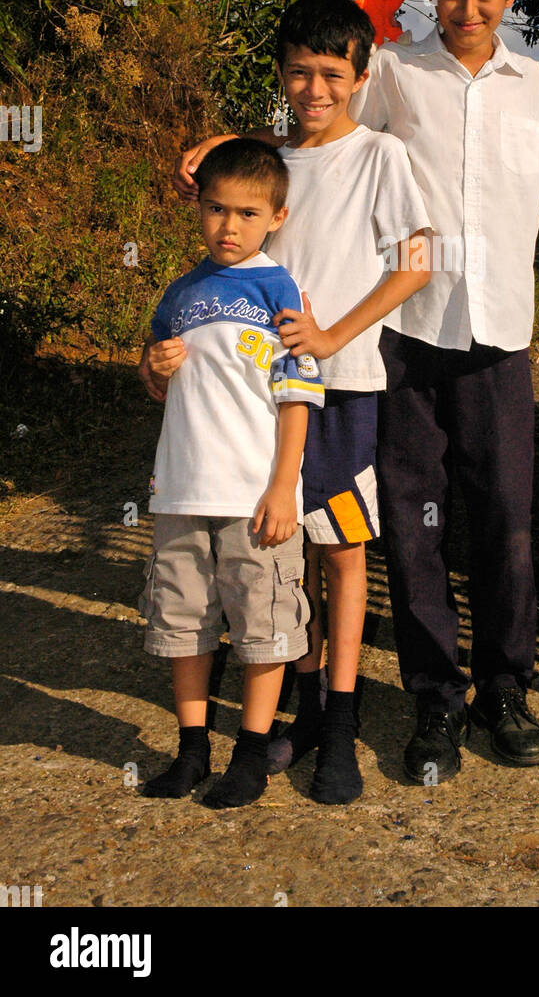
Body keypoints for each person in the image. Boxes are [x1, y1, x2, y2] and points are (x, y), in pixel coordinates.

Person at [160, 0, 431, 803]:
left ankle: (341, 722)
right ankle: (303, 703)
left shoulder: (382, 155)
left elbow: (415, 262)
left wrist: (334, 333)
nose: (315, 89)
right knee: (282, 553)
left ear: (361, 74)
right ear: (281, 75)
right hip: (255, 403)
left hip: (342, 388)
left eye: (332, 74)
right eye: (300, 73)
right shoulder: (267, 165)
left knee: (343, 551)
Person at [346, 0, 539, 781]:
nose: (468, 7)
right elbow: (330, 141)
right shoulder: (397, 74)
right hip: (407, 328)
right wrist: (234, 153)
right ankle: (435, 698)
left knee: (507, 520)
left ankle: (504, 689)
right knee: (412, 521)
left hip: (501, 337)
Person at [138, 137, 324, 809]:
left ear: (276, 216)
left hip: (256, 496)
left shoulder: (280, 289)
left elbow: (298, 396)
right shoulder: (181, 291)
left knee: (263, 624)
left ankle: (249, 754)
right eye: (217, 210)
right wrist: (153, 369)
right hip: (182, 488)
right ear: (199, 208)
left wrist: (283, 487)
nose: (229, 226)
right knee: (184, 622)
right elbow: (156, 375)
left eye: (248, 213)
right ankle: (192, 749)